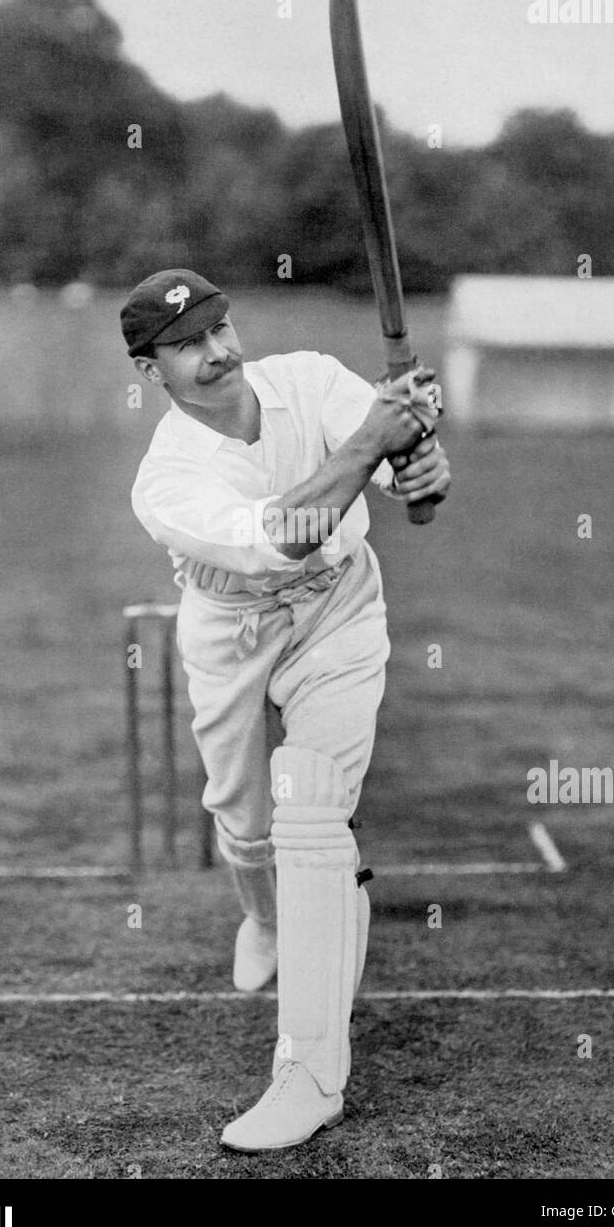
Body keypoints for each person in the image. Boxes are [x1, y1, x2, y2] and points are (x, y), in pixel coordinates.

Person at [121, 268, 451, 1151]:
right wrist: (375, 440)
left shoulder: (306, 378)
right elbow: (286, 535)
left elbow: (404, 478)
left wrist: (419, 464)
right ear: (150, 371)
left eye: (219, 329)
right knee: (243, 820)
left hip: (340, 610)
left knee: (311, 810)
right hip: (229, 629)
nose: (216, 352)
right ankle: (262, 917)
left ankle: (308, 1074)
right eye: (186, 345)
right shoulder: (165, 480)